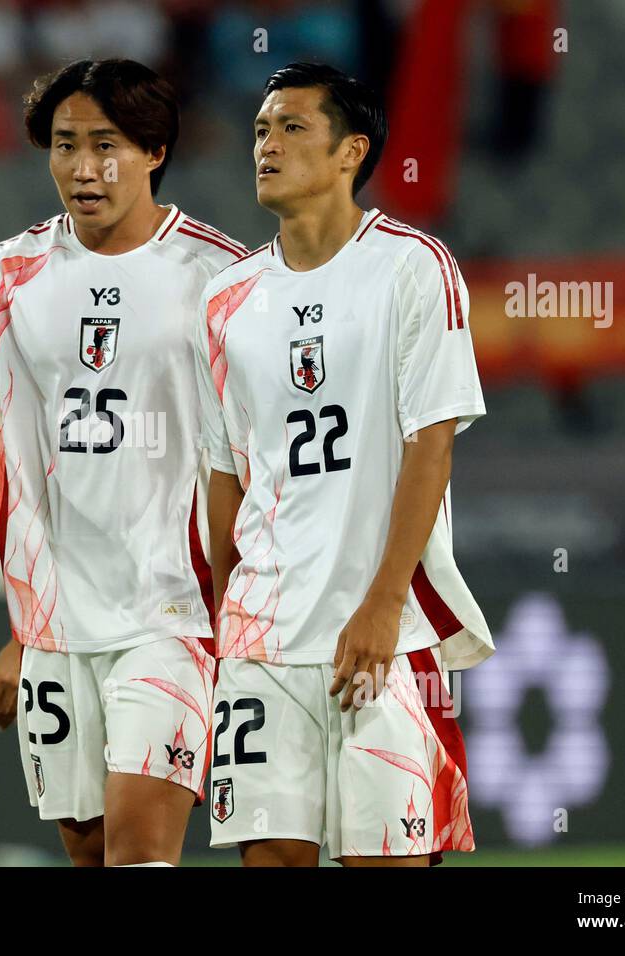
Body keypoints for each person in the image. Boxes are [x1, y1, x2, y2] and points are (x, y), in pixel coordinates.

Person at [197, 62, 494, 867]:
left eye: (293, 127)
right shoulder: (225, 300)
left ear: (349, 151)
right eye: (261, 129)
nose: (267, 144)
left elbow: (431, 444)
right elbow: (226, 473)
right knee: (270, 861)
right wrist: (227, 615)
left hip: (385, 633)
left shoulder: (412, 268)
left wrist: (382, 600)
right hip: (263, 635)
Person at [0, 59, 247, 866]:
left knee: (137, 850)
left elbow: (250, 463)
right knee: (86, 853)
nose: (83, 168)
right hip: (58, 625)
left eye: (107, 144)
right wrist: (23, 631)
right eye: (64, 145)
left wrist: (244, 615)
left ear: (155, 150)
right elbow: (7, 461)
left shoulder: (221, 277)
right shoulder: (2, 278)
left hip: (174, 616)